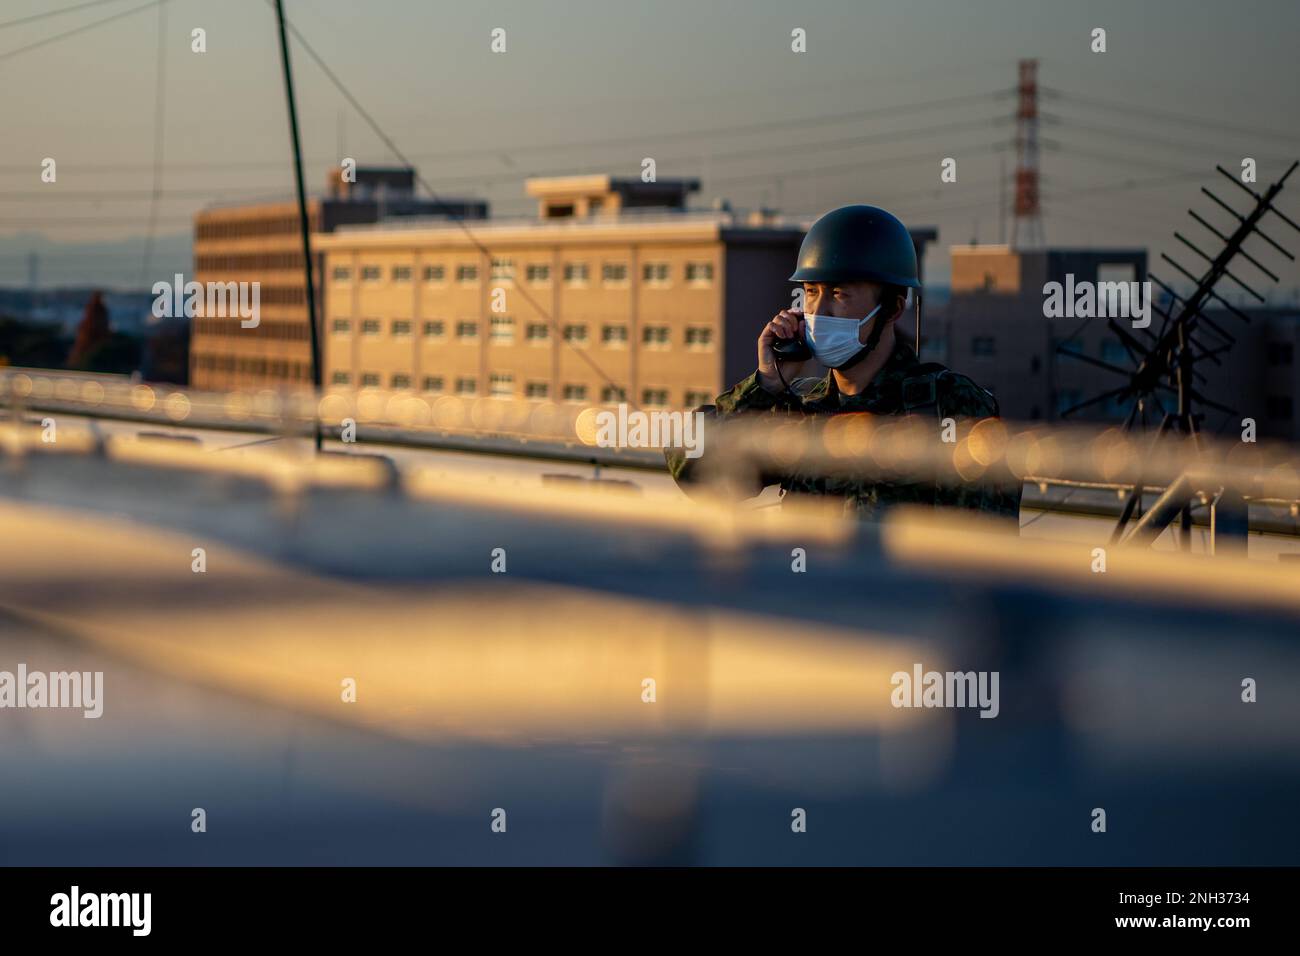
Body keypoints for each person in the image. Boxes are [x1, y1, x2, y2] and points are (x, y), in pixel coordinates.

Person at [665, 204, 1021, 521]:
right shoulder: (803, 408)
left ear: (894, 308)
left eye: (839, 294)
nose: (819, 311)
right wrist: (766, 384)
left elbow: (982, 552)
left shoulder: (946, 404)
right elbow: (695, 472)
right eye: (811, 293)